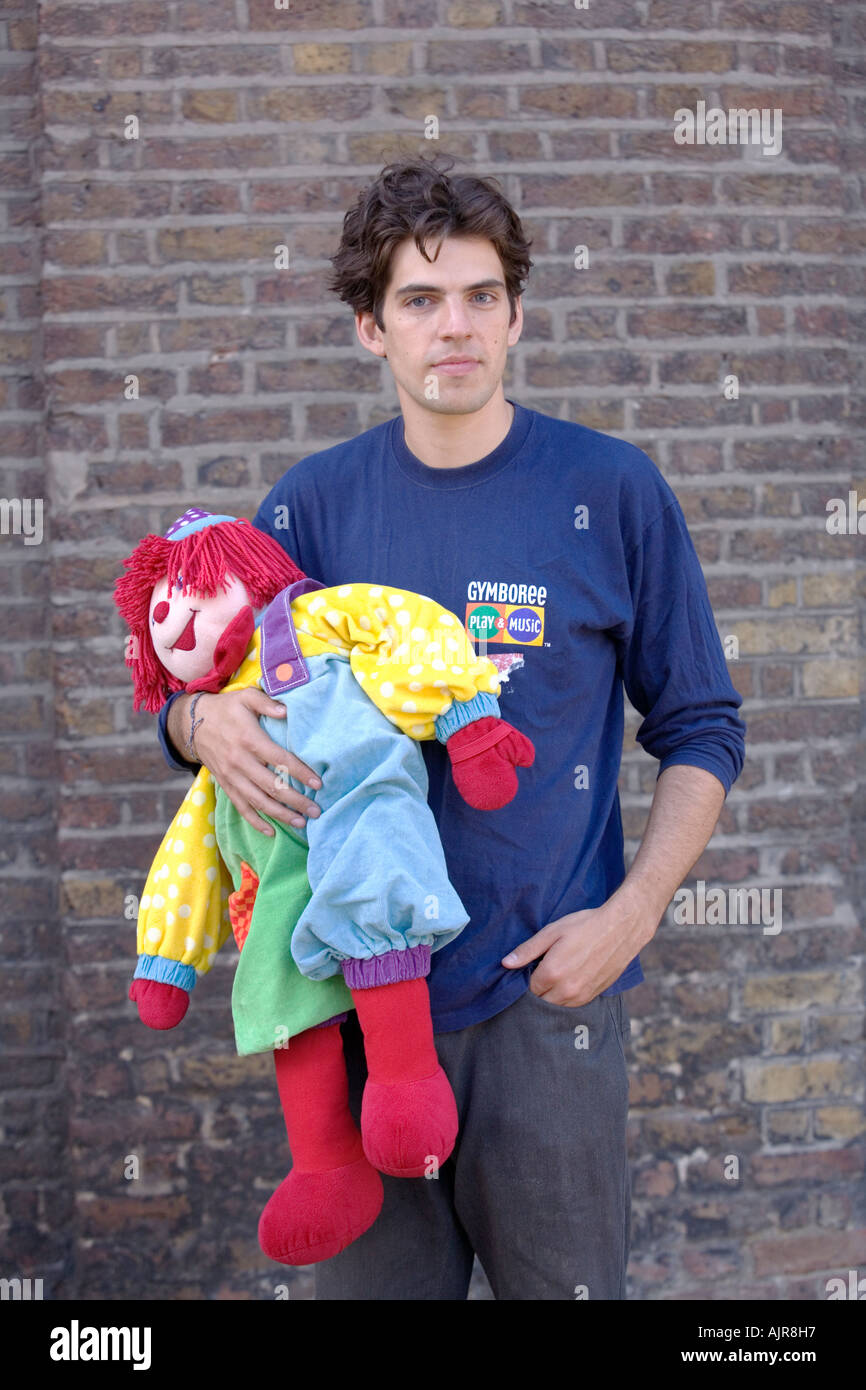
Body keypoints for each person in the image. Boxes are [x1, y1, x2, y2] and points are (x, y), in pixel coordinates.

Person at [155, 155, 746, 1300]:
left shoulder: (610, 489)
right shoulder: (308, 509)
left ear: (517, 312)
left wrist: (630, 915)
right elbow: (196, 690)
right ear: (371, 329)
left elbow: (701, 726)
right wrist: (197, 720)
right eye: (419, 301)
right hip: (361, 1011)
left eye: (481, 296)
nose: (455, 327)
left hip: (546, 1009)